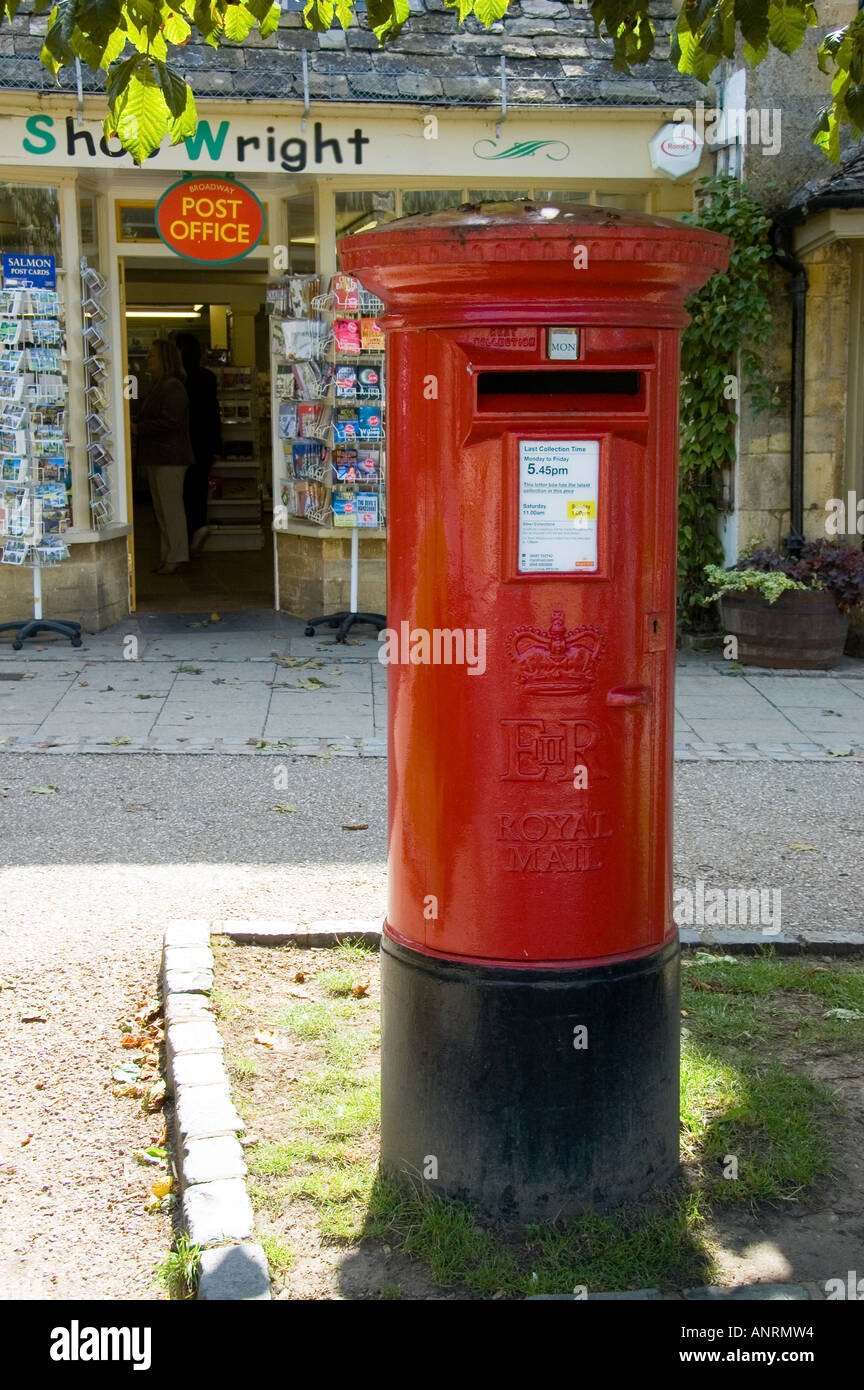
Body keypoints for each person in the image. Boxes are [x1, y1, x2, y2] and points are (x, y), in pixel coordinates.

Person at [136, 338, 195, 575]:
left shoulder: (173, 387)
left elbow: (171, 421)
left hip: (169, 457)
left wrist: (139, 428)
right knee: (162, 510)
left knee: (171, 509)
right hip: (159, 456)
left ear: (165, 359)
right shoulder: (160, 385)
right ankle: (168, 554)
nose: (148, 359)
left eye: (152, 355)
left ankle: (177, 555)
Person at [174, 332, 222, 555]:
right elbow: (213, 413)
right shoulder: (208, 377)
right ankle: (198, 526)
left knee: (182, 491)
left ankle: (187, 534)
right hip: (203, 441)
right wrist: (216, 446)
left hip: (182, 442)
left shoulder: (177, 380)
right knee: (199, 487)